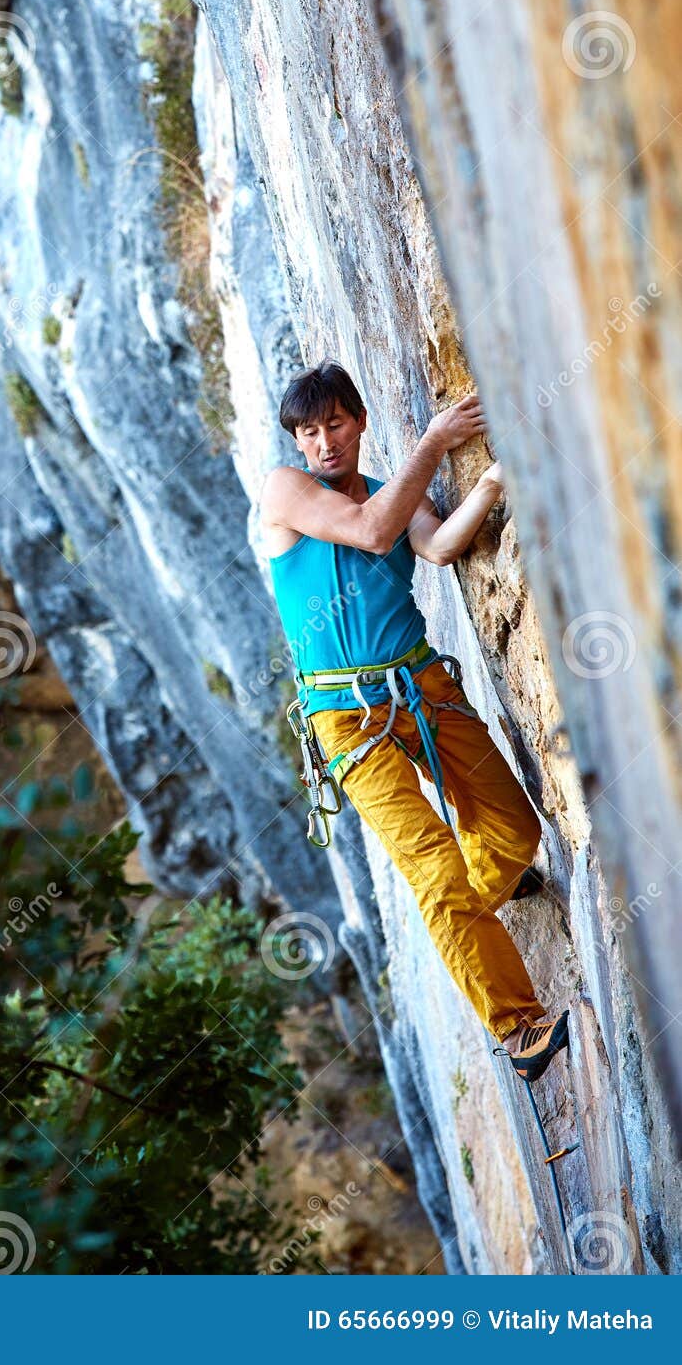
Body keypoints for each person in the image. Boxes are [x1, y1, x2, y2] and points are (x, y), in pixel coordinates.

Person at [259, 360, 569, 1081]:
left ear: (360, 421)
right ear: (297, 441)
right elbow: (372, 534)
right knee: (433, 867)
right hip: (344, 717)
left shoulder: (390, 493)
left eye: (336, 424)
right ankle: (518, 1028)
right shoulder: (285, 490)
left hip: (421, 684)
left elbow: (436, 544)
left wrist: (491, 483)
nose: (324, 443)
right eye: (310, 431)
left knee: (514, 831)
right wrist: (434, 441)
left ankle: (474, 902)